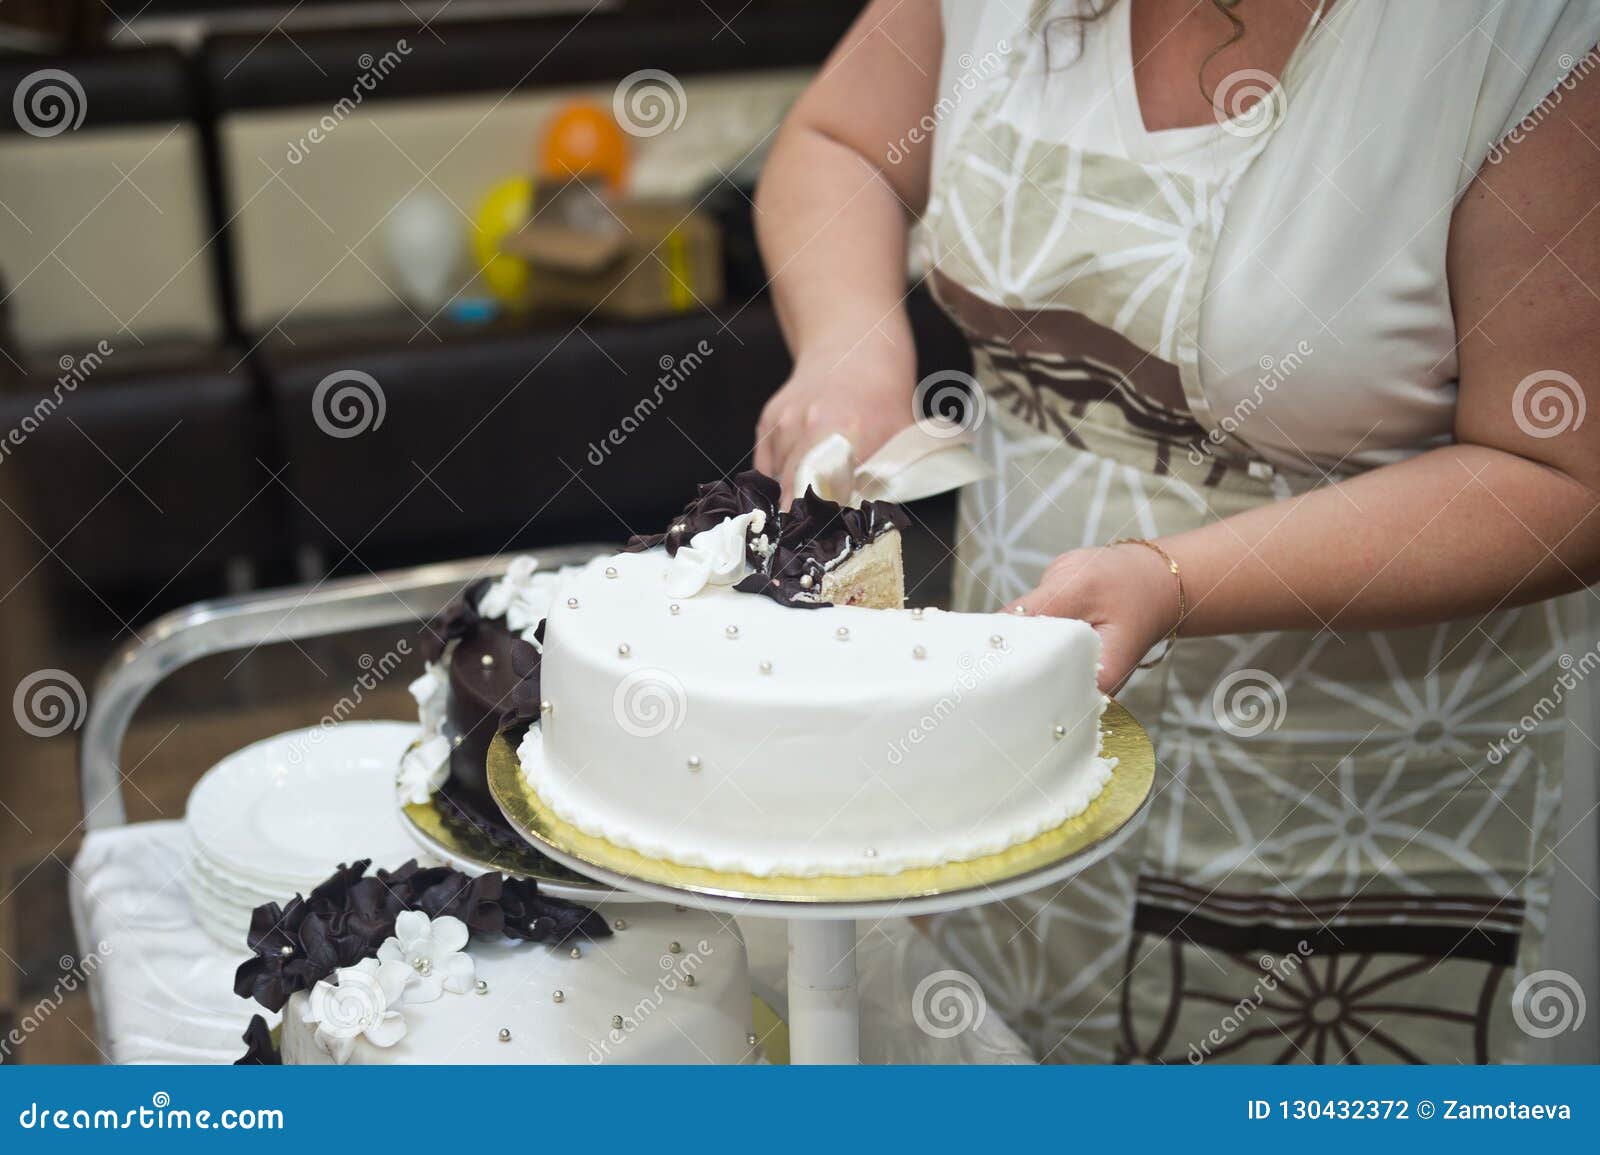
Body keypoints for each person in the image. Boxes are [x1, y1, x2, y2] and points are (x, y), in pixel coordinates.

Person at [752, 0, 1600, 1062]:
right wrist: (849, 343)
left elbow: (1561, 471)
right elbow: (841, 146)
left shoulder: (1526, 35)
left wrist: (1174, 581)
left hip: (1359, 793)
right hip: (1016, 747)